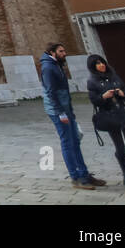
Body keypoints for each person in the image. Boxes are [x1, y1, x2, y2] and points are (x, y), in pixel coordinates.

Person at [41, 42, 102, 189]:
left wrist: (69, 111)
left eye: (64, 50)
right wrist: (61, 112)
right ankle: (76, 177)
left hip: (65, 109)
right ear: (52, 52)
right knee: (68, 143)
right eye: (61, 51)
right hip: (58, 111)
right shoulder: (48, 67)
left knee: (75, 140)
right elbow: (51, 92)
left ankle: (84, 174)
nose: (64, 53)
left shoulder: (56, 64)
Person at [85, 54, 125, 188]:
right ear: (93, 67)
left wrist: (122, 94)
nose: (102, 65)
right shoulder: (92, 81)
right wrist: (103, 96)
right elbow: (94, 101)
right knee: (120, 148)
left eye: (102, 62)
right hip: (110, 116)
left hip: (124, 113)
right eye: (98, 63)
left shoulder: (114, 76)